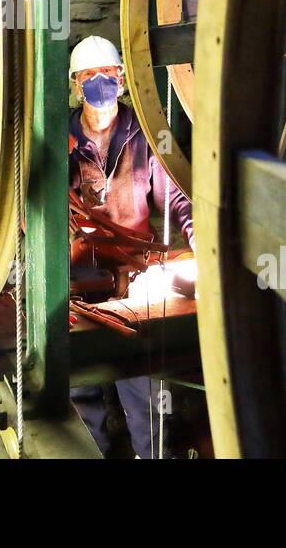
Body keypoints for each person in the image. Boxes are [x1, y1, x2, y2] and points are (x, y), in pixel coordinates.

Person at [67, 35, 195, 458]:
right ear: (75, 85)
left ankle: (150, 454)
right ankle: (92, 451)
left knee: (143, 379)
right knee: (80, 381)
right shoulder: (62, 138)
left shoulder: (144, 133)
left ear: (122, 79)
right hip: (76, 278)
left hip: (133, 274)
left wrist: (201, 245)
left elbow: (176, 196)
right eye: (89, 76)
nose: (100, 82)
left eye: (109, 74)